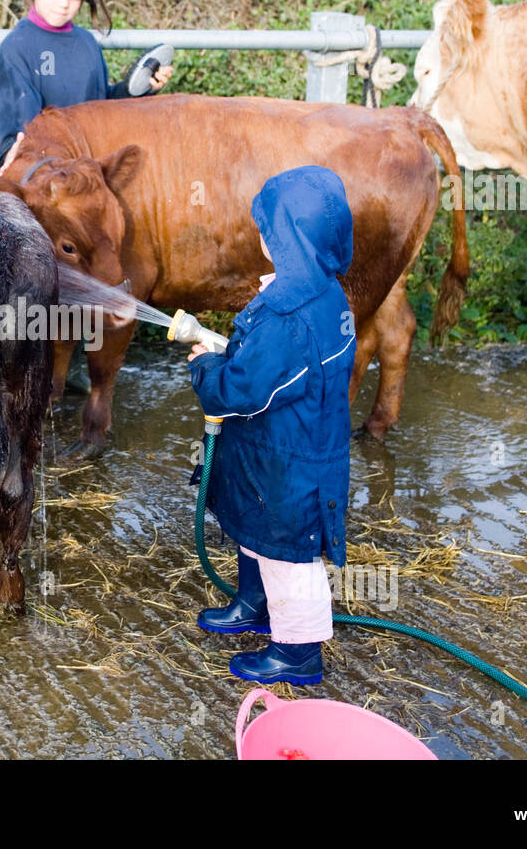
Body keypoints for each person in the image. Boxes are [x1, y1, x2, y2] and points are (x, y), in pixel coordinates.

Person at [187, 166, 357, 686]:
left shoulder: (289, 315)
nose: (261, 234)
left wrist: (206, 369)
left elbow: (239, 391)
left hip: (292, 463)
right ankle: (254, 603)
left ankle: (297, 652)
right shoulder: (323, 293)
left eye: (269, 227)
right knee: (253, 529)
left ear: (283, 240)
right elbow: (274, 370)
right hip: (272, 453)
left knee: (288, 553)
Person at [0, 0, 174, 175]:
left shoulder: (87, 42)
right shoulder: (17, 46)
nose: (63, 3)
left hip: (90, 168)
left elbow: (101, 105)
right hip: (41, 175)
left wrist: (137, 89)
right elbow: (23, 128)